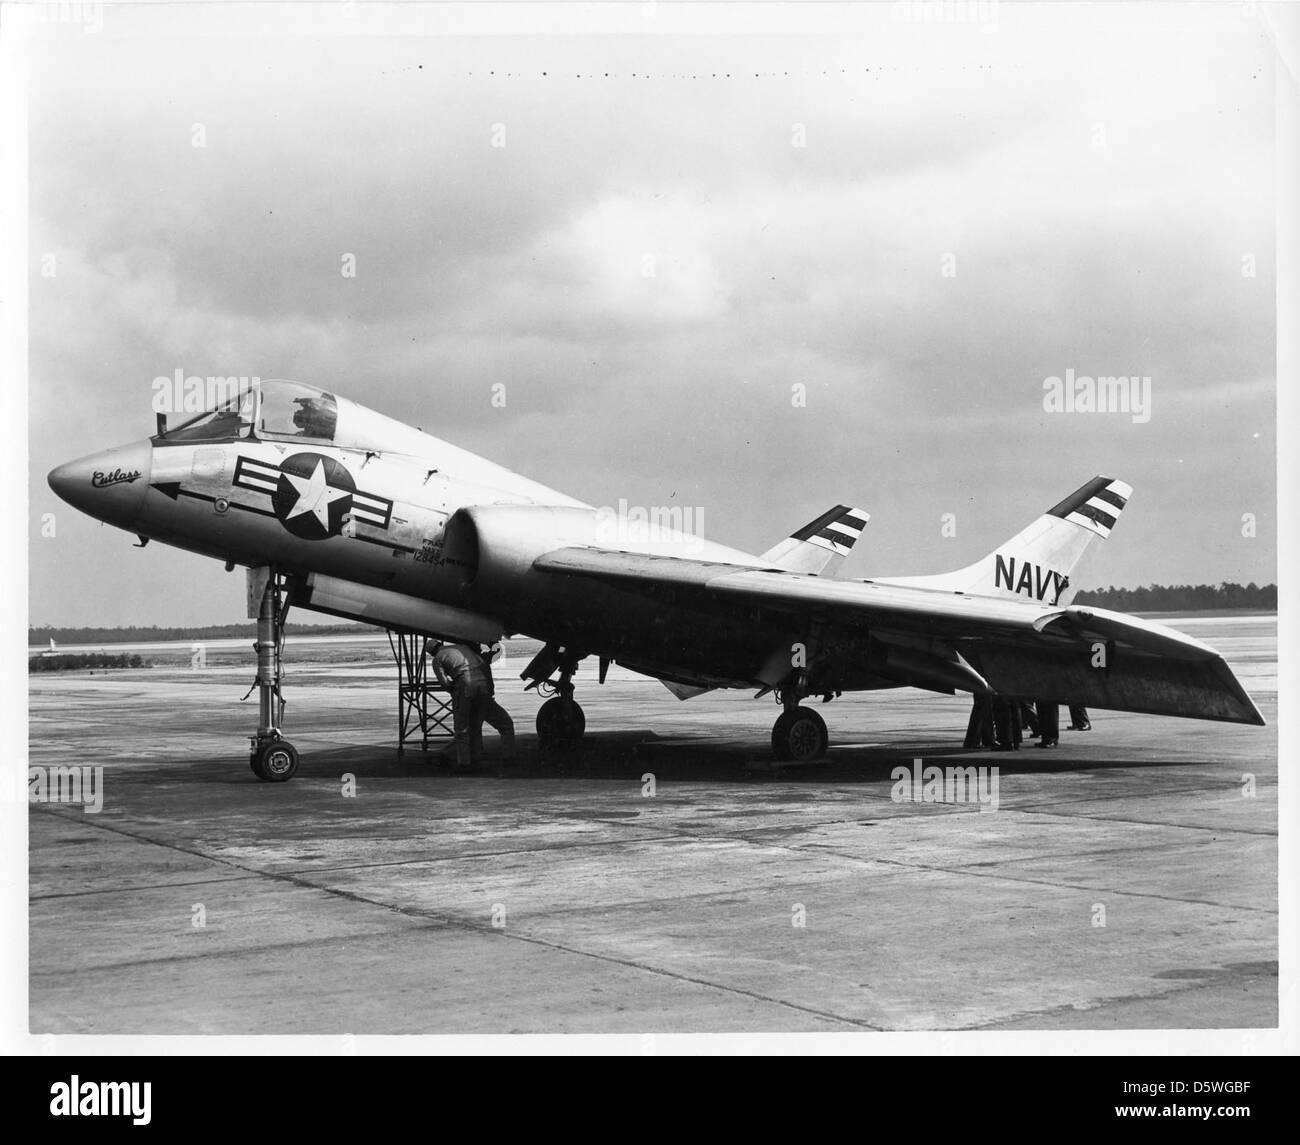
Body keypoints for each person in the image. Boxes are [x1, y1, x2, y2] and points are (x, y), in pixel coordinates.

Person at [430, 641, 514, 772]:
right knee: (479, 725)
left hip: (465, 686)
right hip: (482, 686)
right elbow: (485, 664)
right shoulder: (462, 648)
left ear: (431, 652)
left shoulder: (437, 659)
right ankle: (506, 757)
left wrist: (454, 690)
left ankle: (464, 763)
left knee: (462, 728)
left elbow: (444, 682)